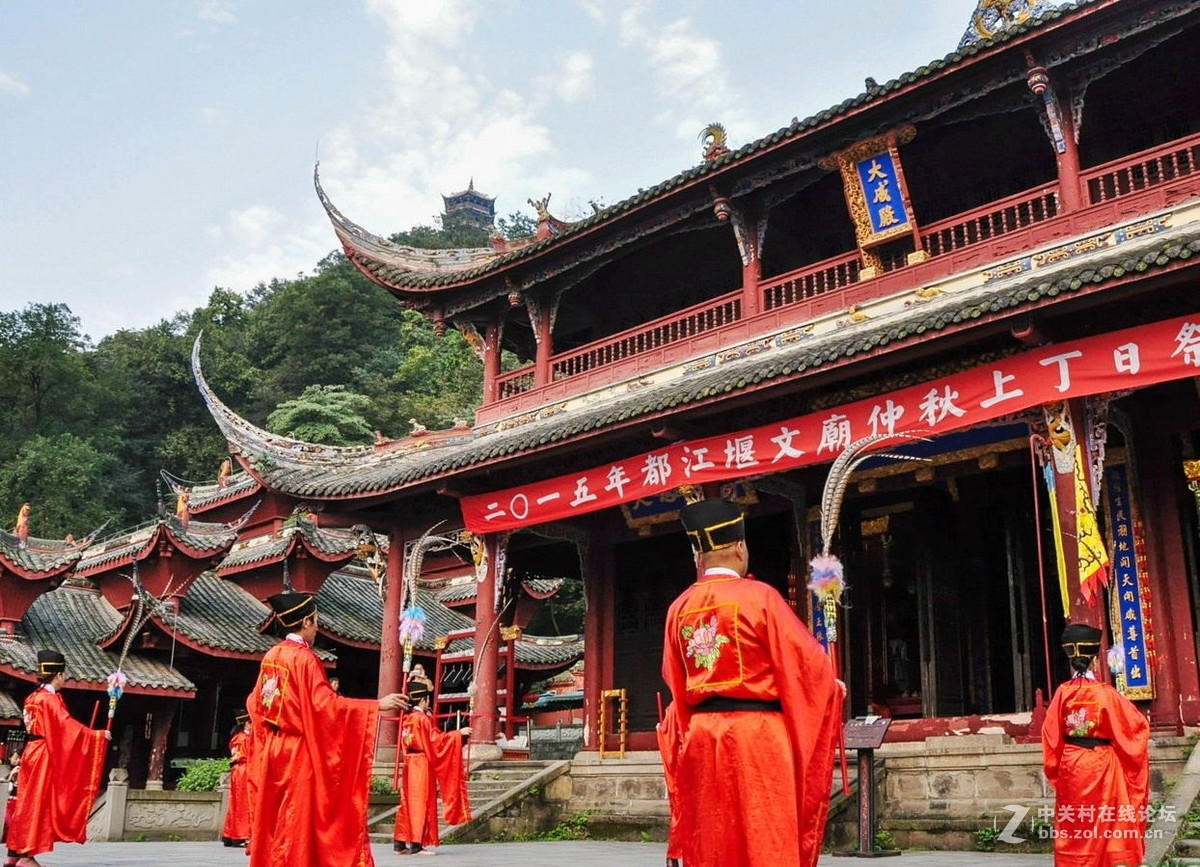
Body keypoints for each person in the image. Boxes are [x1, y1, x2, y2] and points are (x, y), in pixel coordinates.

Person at [660, 498, 843, 867]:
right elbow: (805, 667)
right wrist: (832, 685)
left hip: (701, 739)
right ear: (740, 546)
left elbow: (675, 683)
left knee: (713, 838)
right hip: (758, 738)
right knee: (765, 837)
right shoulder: (761, 598)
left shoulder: (679, 608)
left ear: (699, 555)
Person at [245, 592, 407, 867]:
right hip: (299, 751)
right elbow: (325, 706)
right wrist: (376, 706)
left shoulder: (272, 656)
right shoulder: (305, 659)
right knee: (300, 819)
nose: (317, 626)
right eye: (316, 621)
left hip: (275, 750)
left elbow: (255, 703)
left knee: (279, 818)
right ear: (306, 620)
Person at [1042, 623, 1150, 867]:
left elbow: (1051, 735)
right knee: (1106, 820)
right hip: (1101, 763)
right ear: (1094, 660)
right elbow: (1134, 728)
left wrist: (1057, 767)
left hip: (1071, 763)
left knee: (1076, 822)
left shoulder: (1061, 693)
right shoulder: (1105, 693)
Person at [5, 650, 110, 867]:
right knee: (37, 803)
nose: (65, 678)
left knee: (25, 802)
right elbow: (66, 727)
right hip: (43, 753)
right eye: (64, 674)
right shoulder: (50, 700)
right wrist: (97, 735)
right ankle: (26, 855)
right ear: (59, 675)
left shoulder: (32, 697)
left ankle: (14, 852)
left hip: (31, 752)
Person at [392, 678, 471, 855]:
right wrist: (458, 734)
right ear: (422, 700)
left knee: (407, 802)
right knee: (420, 802)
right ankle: (416, 844)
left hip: (409, 763)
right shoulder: (422, 719)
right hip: (420, 764)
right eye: (427, 699)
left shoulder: (407, 718)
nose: (428, 703)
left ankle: (400, 843)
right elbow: (436, 740)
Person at [220, 710, 252, 848]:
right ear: (246, 723)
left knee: (236, 802)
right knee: (243, 803)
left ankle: (230, 834)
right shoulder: (243, 738)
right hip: (243, 769)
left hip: (238, 770)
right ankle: (241, 835)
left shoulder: (237, 737)